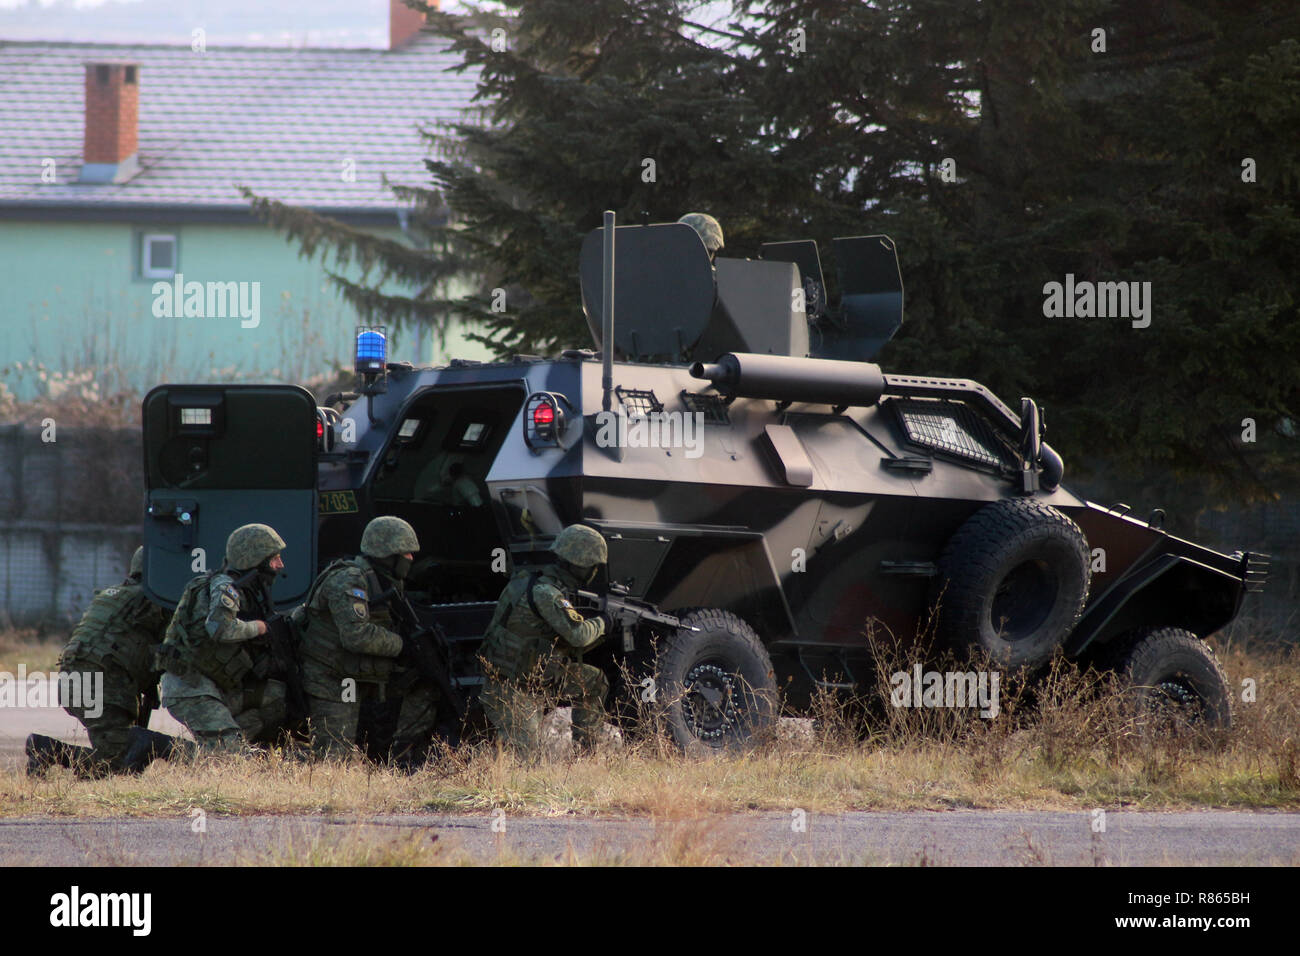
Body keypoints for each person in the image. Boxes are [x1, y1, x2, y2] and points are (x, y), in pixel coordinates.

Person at [26, 547, 179, 776]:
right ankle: (46, 749)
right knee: (116, 765)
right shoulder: (151, 600)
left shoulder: (116, 594)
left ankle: (48, 750)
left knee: (113, 759)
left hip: (75, 678)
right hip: (103, 683)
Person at [478, 524, 611, 758]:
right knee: (525, 761)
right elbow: (578, 635)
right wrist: (604, 623)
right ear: (582, 566)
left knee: (593, 682)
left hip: (531, 677)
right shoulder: (546, 593)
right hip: (512, 688)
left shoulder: (524, 580)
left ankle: (587, 754)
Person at [155, 523, 290, 753]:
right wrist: (259, 628)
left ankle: (230, 742)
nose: (280, 565)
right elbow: (219, 628)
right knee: (228, 757)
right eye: (274, 558)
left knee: (277, 697)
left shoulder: (243, 589)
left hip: (214, 686)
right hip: (191, 688)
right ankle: (155, 747)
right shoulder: (225, 587)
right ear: (255, 559)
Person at [297, 517, 412, 758]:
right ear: (387, 554)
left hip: (351, 678)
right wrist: (402, 645)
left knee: (360, 753)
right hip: (329, 681)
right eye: (406, 553)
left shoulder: (379, 580)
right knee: (333, 757)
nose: (410, 559)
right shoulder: (349, 579)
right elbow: (356, 635)